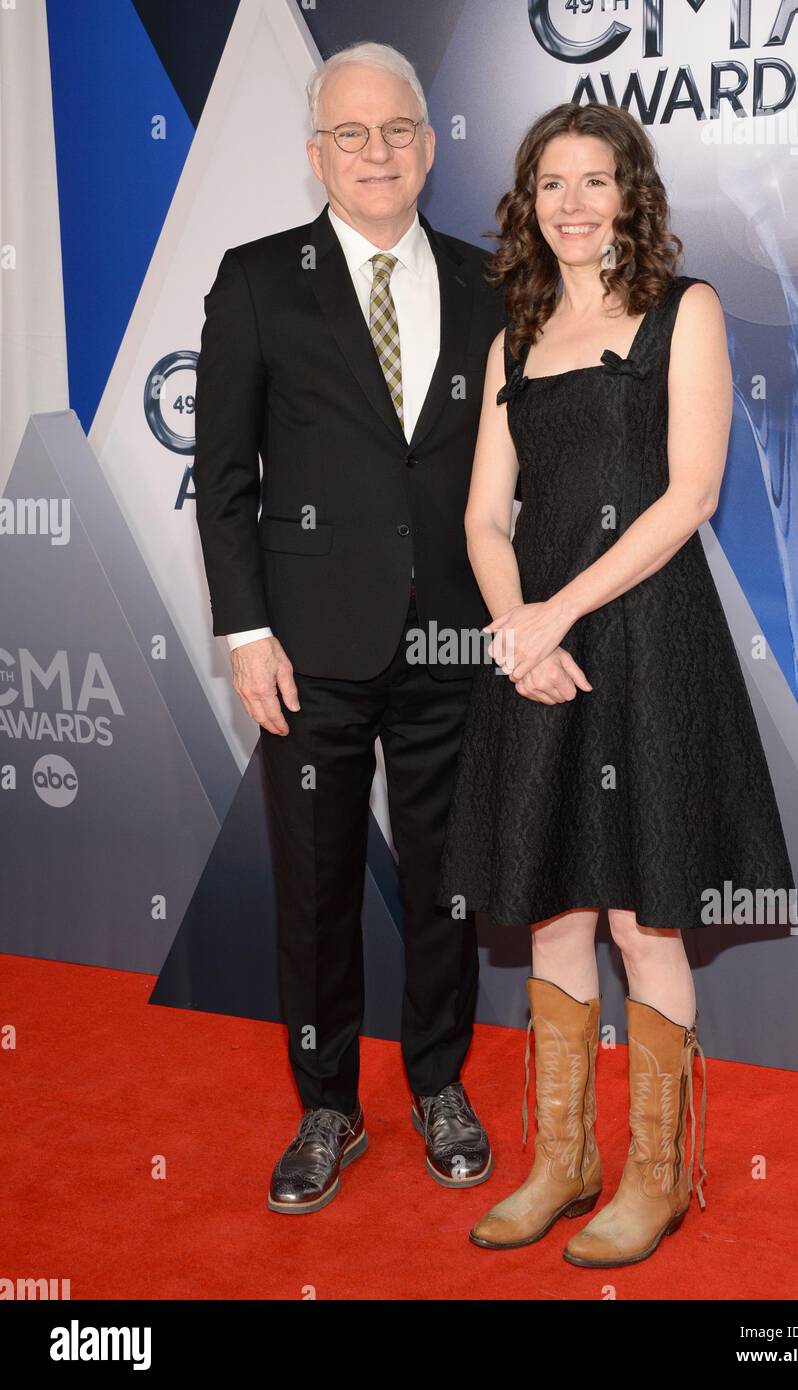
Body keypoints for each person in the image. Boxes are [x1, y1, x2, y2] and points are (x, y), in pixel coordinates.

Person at [437, 101, 797, 1266]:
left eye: (596, 182)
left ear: (631, 194)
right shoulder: (513, 337)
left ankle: (655, 1174)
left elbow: (689, 496)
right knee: (551, 907)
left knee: (647, 917)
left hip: (646, 636)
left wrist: (558, 612)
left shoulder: (685, 312)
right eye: (553, 184)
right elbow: (485, 515)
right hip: (540, 653)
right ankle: (562, 1159)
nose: (575, 204)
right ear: (527, 202)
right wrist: (516, 631)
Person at [193, 43, 505, 1214]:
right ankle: (327, 1105)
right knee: (316, 885)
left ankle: (439, 1085)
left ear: (427, 144)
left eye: (397, 131)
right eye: (351, 135)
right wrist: (245, 634)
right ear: (318, 153)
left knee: (445, 884)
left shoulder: (487, 286)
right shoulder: (261, 278)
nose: (377, 154)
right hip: (307, 648)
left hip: (453, 645)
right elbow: (223, 477)